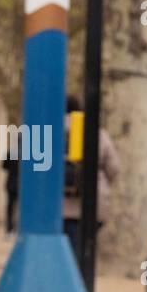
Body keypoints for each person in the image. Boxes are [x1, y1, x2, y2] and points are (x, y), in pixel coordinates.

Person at [61, 95, 120, 250]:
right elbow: (113, 168)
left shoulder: (50, 130)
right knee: (83, 248)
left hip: (60, 203)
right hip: (94, 199)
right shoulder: (97, 132)